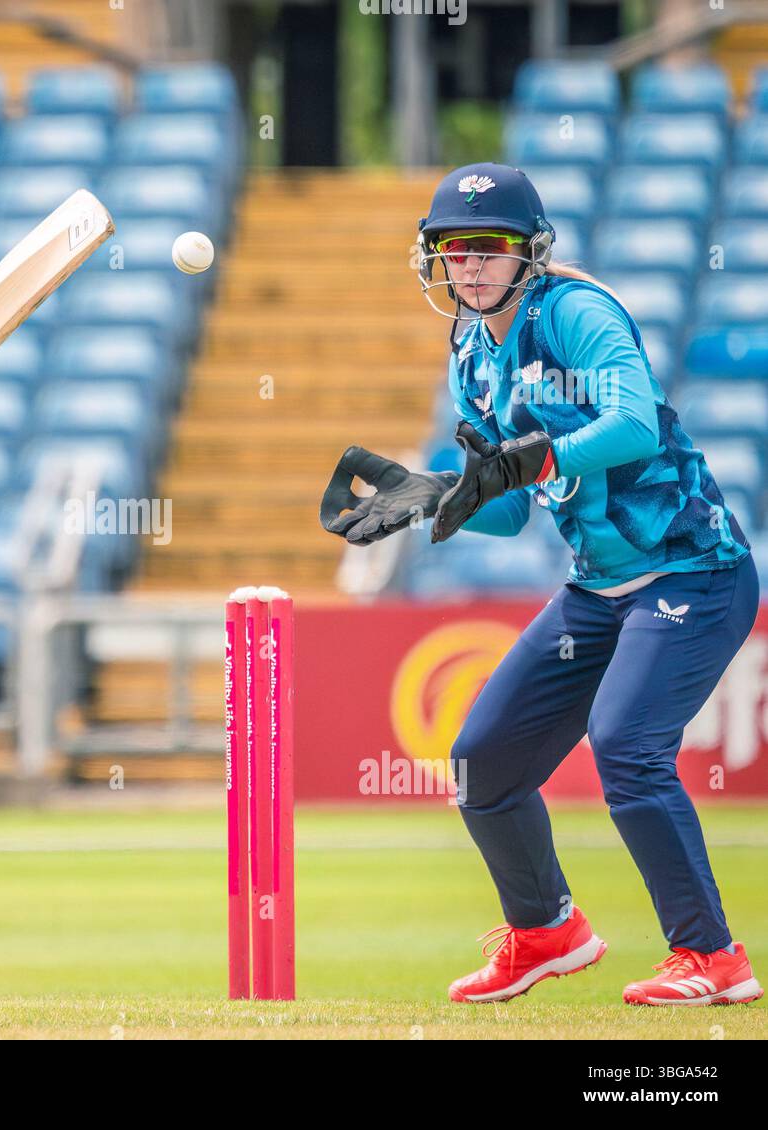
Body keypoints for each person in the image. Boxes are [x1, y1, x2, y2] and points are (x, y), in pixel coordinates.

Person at [323, 162, 762, 1007]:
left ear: (531, 253)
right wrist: (429, 498)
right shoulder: (470, 352)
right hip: (596, 588)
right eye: (456, 250)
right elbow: (508, 508)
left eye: (491, 248)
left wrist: (541, 455)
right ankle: (546, 932)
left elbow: (633, 423)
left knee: (628, 744)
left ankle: (713, 957)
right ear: (436, 261)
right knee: (483, 760)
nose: (473, 265)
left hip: (693, 572)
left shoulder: (574, 312)